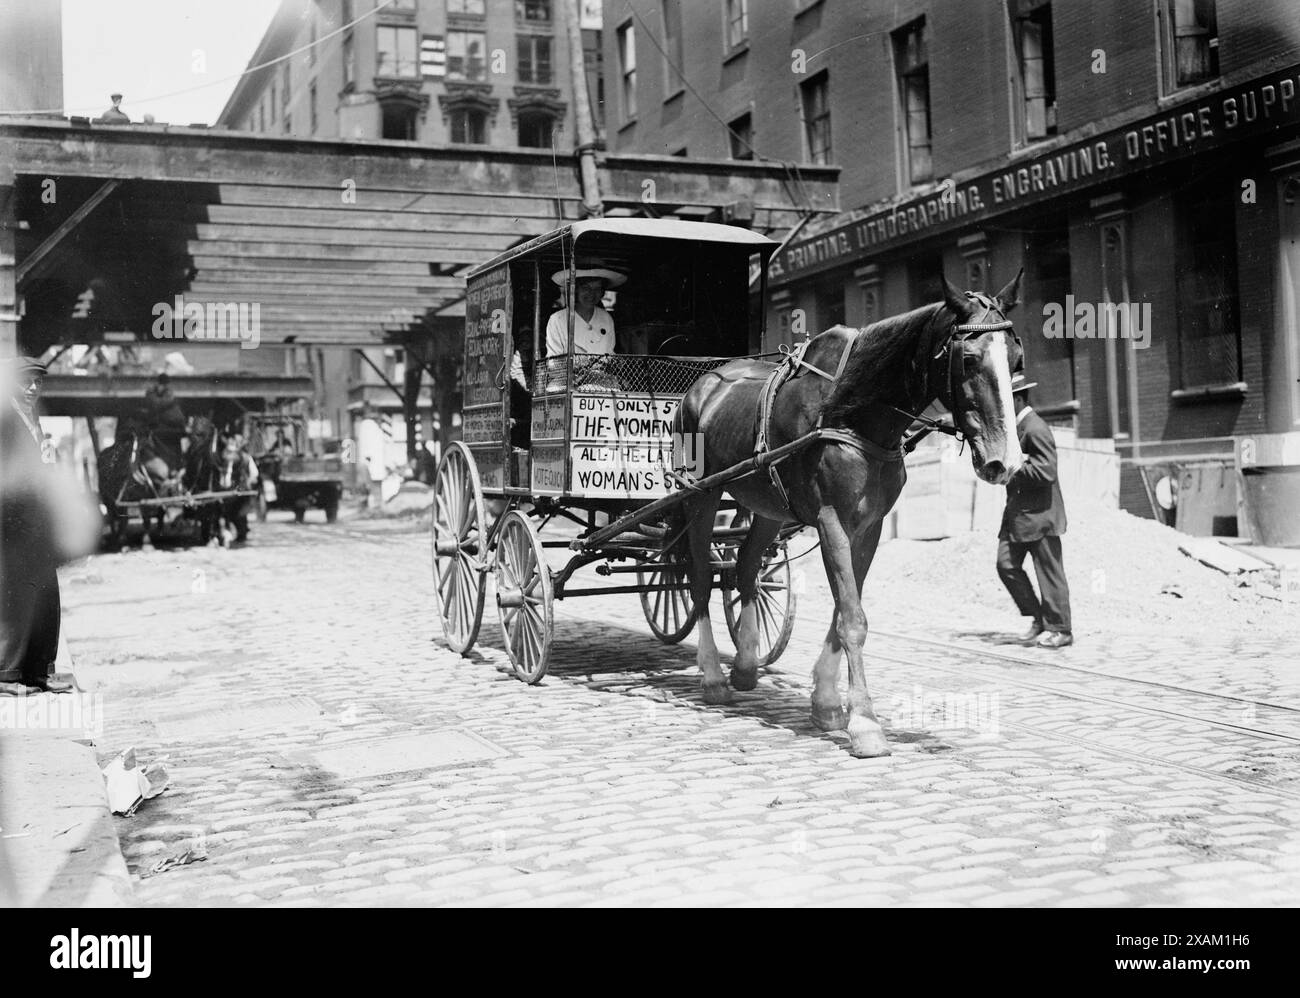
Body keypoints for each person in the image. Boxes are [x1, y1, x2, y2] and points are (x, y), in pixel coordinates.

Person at [0, 358, 78, 694]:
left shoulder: (30, 418)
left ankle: (38, 670)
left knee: (46, 596)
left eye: (38, 382)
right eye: (26, 381)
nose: (33, 388)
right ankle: (7, 674)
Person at [997, 372, 1073, 649]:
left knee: (1049, 572)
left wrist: (1013, 466)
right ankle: (1039, 618)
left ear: (1017, 399)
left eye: (1005, 400)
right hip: (1019, 516)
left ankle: (1061, 629)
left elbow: (1047, 470)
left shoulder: (1035, 427)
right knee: (1005, 564)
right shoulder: (1017, 427)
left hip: (1041, 515)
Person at [544, 263, 626, 358]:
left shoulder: (606, 318)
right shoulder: (557, 319)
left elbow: (609, 355)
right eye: (585, 288)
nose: (591, 294)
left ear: (602, 292)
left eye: (597, 289)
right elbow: (553, 360)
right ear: (575, 290)